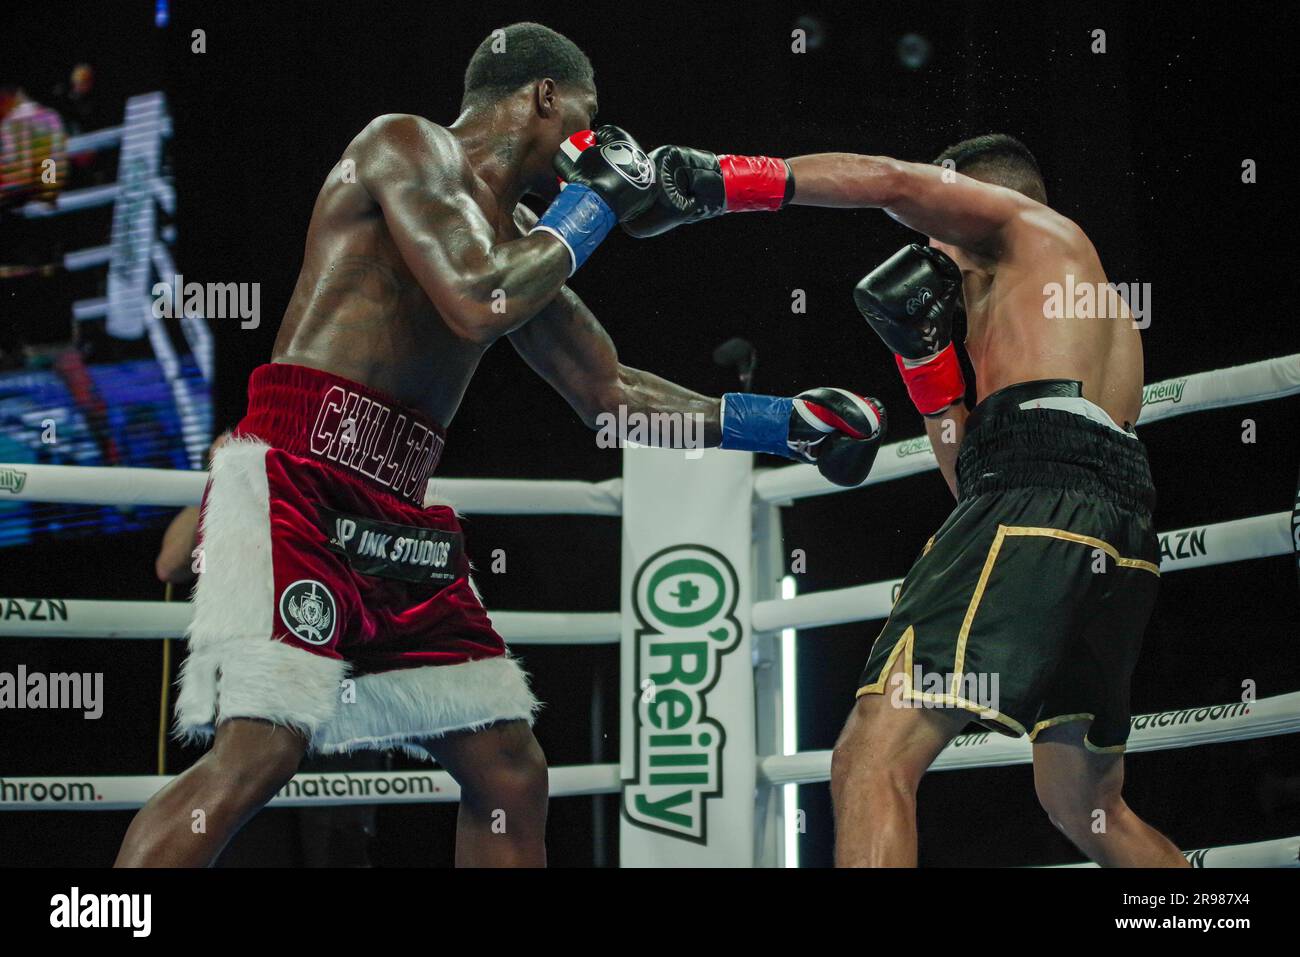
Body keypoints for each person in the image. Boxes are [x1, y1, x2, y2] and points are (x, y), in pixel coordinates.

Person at [115, 22, 883, 868]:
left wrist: (788, 424)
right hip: (301, 475)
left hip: (395, 509)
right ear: (545, 97)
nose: (586, 150)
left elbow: (611, 398)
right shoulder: (404, 145)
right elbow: (478, 301)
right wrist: (589, 204)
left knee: (510, 773)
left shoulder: (522, 236)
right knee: (258, 753)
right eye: (586, 121)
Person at [626, 134, 1186, 867]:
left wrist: (720, 181)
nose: (929, 254)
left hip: (1038, 495)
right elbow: (972, 482)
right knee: (1088, 806)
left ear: (969, 200)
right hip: (1109, 528)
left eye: (933, 230)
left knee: (872, 753)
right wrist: (925, 360)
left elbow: (887, 179)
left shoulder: (1023, 226)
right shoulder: (1061, 306)